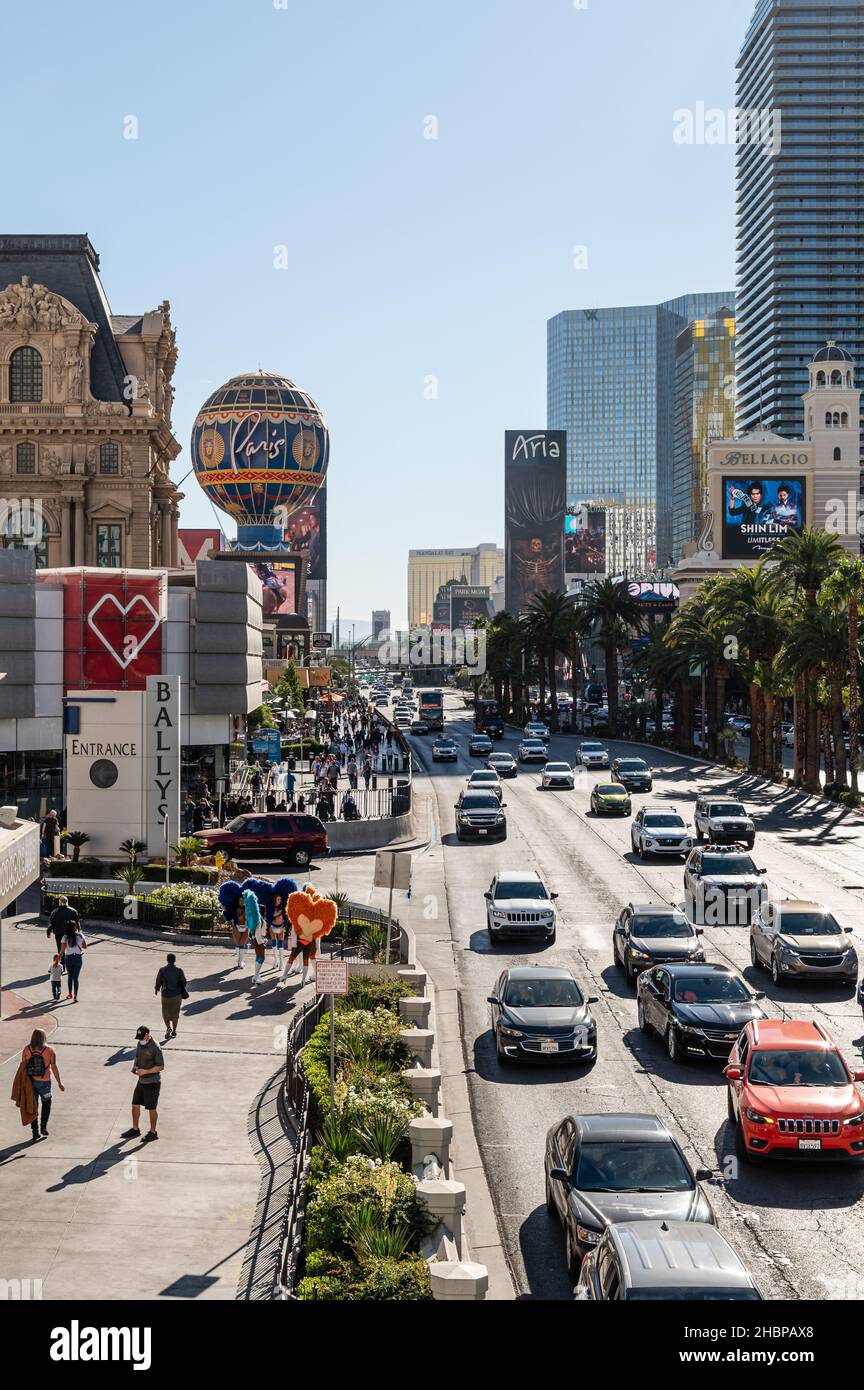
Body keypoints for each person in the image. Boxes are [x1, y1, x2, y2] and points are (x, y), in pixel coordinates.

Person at [21, 1029, 64, 1142]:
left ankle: (35, 1132)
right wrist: (59, 1082)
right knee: (47, 1103)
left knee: (33, 1106)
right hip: (45, 1082)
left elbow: (23, 1067)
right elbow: (54, 1067)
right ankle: (43, 1126)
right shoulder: (50, 1050)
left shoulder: (27, 1049)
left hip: (31, 1082)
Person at [123, 1025, 164, 1143]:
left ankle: (153, 1132)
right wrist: (134, 1066)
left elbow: (161, 1066)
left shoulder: (155, 1047)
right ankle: (135, 1129)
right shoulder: (141, 1043)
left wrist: (145, 1071)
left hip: (152, 1082)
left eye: (142, 1037)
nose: (140, 1040)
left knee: (151, 1108)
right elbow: (137, 1056)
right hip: (141, 1080)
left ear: (147, 1035)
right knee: (135, 1104)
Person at [154, 952, 188, 1039]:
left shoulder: (162, 970)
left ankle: (168, 1028)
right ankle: (174, 1031)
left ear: (167, 960)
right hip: (176, 996)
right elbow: (184, 983)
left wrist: (157, 989)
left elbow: (158, 981)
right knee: (175, 1014)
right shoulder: (179, 970)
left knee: (165, 1013)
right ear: (175, 960)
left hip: (165, 995)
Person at [59, 920, 87, 1001]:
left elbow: (62, 951)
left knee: (70, 977)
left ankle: (70, 994)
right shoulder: (80, 935)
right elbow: (85, 946)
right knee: (76, 978)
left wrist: (57, 960)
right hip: (78, 958)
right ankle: (75, 996)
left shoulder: (65, 937)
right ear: (75, 927)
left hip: (68, 958)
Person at [47, 896, 78, 965]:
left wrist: (48, 932)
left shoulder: (55, 911)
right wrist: (79, 932)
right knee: (71, 948)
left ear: (59, 902)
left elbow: (51, 923)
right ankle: (70, 963)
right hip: (71, 934)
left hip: (59, 934)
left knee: (60, 950)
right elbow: (77, 923)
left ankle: (63, 964)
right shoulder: (73, 911)